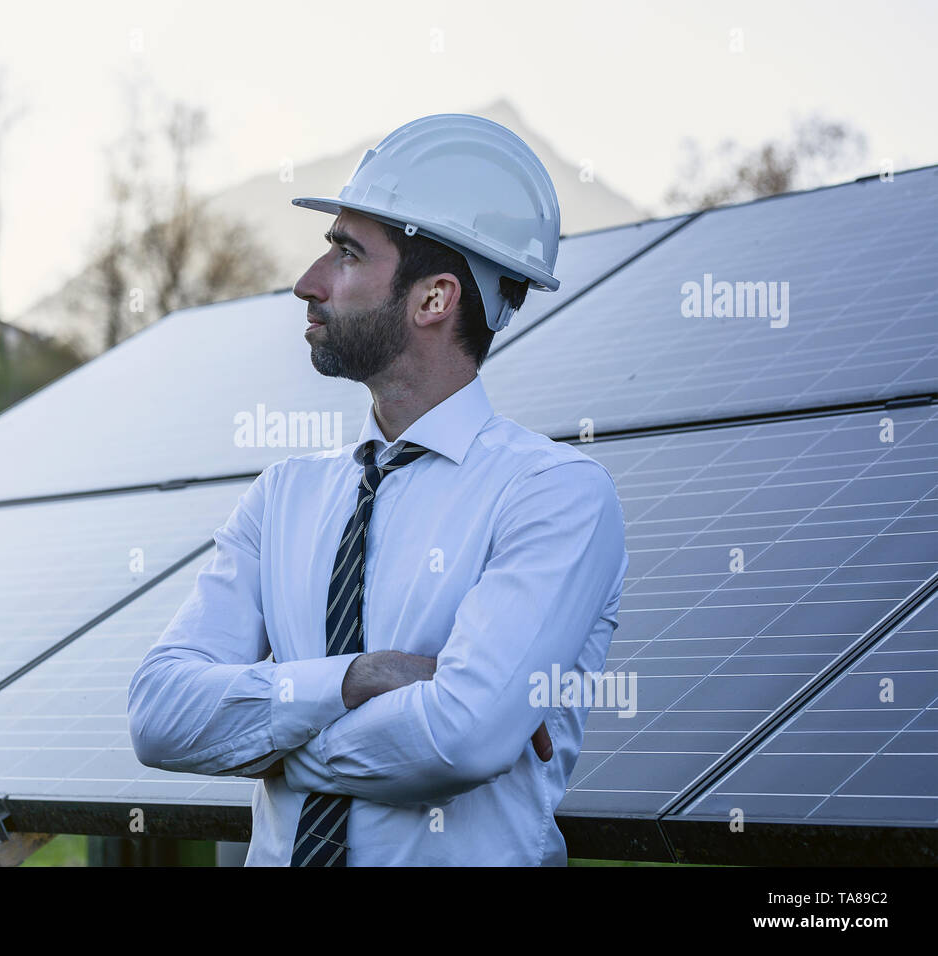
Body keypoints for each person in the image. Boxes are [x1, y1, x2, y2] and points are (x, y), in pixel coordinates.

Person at [128, 114, 628, 866]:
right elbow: (160, 718)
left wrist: (272, 741)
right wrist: (360, 679)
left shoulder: (553, 497)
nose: (308, 282)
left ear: (433, 299)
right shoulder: (283, 496)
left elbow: (457, 739)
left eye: (347, 253)